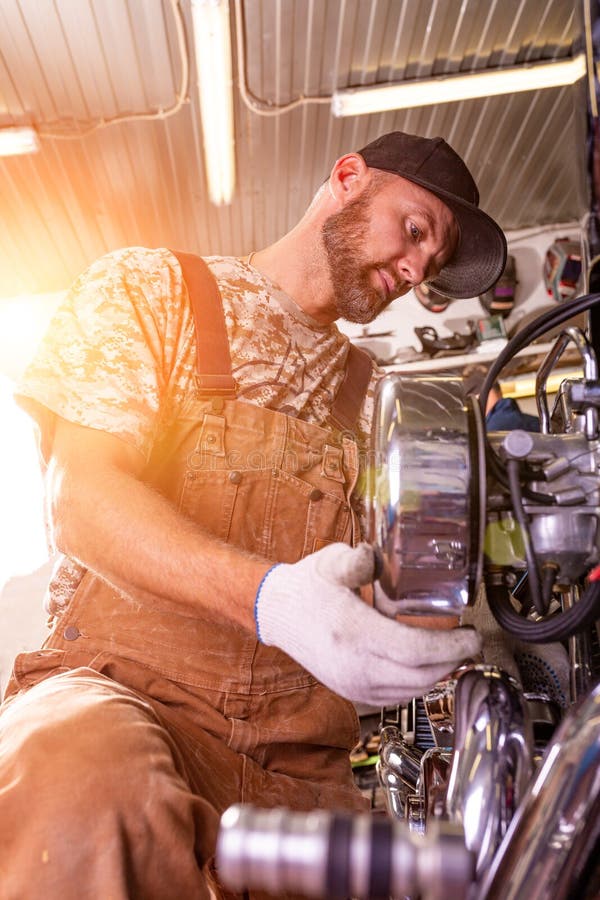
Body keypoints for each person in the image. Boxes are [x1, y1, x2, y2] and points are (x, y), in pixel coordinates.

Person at [0, 131, 506, 898]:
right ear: (347, 178)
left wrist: (430, 623)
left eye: (430, 266)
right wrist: (270, 600)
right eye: (414, 232)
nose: (414, 271)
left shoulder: (382, 405)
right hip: (129, 702)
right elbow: (81, 499)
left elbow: (399, 593)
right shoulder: (150, 290)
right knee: (81, 783)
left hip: (300, 772)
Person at [463, 362, 540, 432]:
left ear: (477, 397)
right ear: (500, 391)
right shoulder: (536, 422)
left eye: (469, 402)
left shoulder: (491, 433)